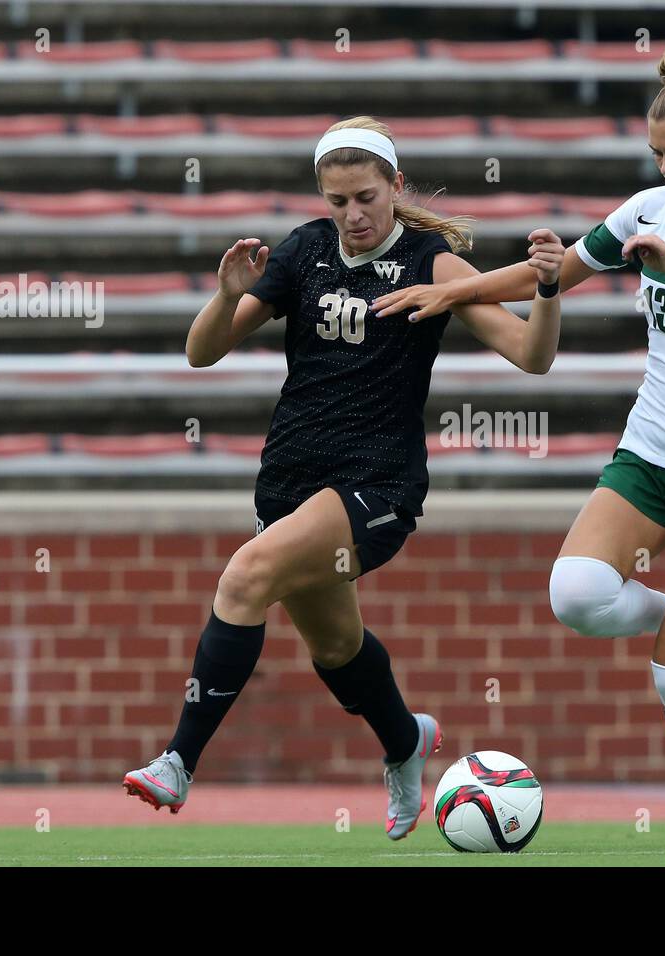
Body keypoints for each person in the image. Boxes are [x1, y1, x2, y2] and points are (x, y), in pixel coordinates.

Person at [371, 36, 665, 846]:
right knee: (574, 592)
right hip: (652, 449)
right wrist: (449, 288)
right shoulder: (647, 207)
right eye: (656, 153)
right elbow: (554, 275)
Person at [123, 116, 565, 840]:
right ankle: (405, 742)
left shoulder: (433, 260)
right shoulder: (302, 251)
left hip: (378, 484)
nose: (353, 215)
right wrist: (226, 293)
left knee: (244, 577)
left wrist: (547, 291)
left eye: (366, 196)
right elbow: (202, 352)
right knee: (334, 649)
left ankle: (178, 763)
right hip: (291, 478)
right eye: (337, 200)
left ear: (396, 186)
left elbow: (531, 356)